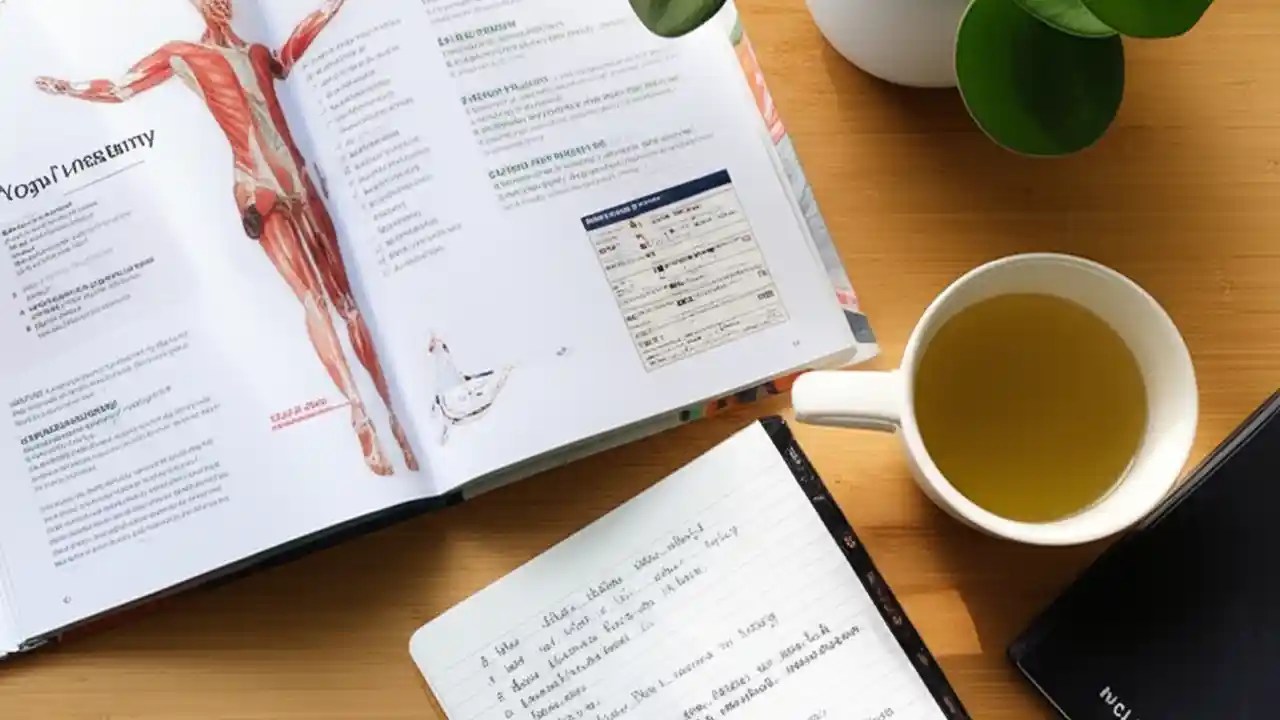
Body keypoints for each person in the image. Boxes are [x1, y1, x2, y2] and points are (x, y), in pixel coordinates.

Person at [35, 0, 419, 476]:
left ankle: (396, 418)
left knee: (348, 304)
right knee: (314, 301)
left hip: (298, 179)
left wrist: (331, 8)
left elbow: (286, 57)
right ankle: (361, 419)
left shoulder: (257, 54)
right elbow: (119, 88)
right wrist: (69, 88)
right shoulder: (183, 56)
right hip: (257, 189)